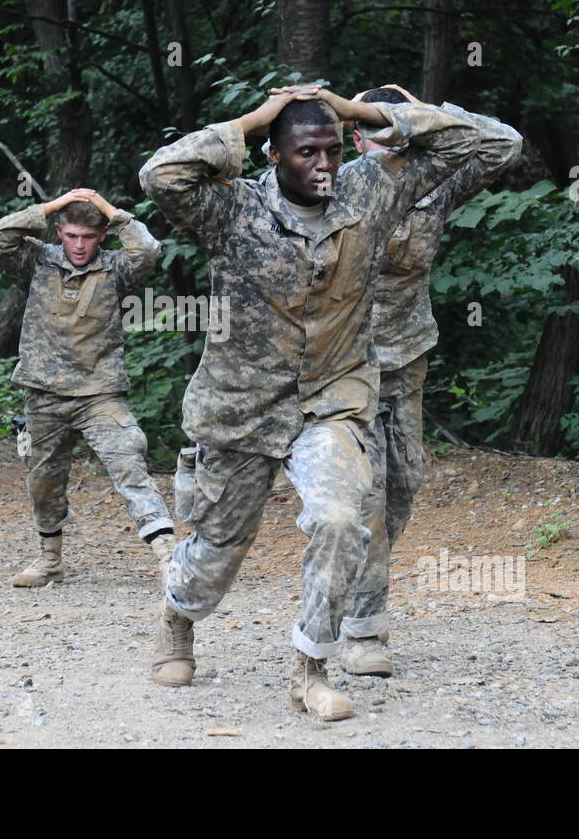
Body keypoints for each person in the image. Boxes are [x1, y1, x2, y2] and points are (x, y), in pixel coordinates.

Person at [138, 84, 481, 720]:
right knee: (215, 553)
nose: (322, 164)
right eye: (305, 152)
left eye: (330, 151)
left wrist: (359, 113)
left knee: (340, 517)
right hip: (242, 407)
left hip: (333, 399)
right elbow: (160, 173)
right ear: (274, 156)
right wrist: (254, 119)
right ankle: (177, 618)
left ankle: (310, 668)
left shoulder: (371, 192)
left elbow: (476, 139)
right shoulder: (231, 210)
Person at [338, 86, 524, 678]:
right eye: (370, 130)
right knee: (366, 496)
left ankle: (346, 586)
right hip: (346, 360)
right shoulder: (337, 185)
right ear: (355, 136)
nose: (382, 142)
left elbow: (505, 144)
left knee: (405, 485)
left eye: (393, 129)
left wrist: (424, 110)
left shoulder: (432, 183)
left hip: (407, 354)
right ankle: (362, 629)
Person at [0, 188, 176, 588]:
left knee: (129, 461)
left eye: (88, 236)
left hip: (98, 393)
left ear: (101, 235)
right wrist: (49, 207)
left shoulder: (116, 268)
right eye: (71, 235)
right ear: (58, 232)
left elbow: (149, 250)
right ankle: (49, 559)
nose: (79, 245)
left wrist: (110, 211)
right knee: (44, 482)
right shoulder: (37, 260)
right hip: (44, 394)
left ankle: (170, 557)